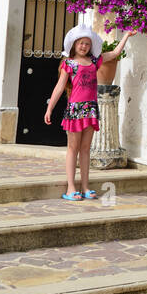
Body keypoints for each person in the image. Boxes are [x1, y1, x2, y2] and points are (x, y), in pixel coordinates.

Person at [45, 26, 134, 200]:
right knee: (73, 149)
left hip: (91, 110)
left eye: (87, 43)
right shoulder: (68, 64)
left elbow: (115, 53)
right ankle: (71, 187)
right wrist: (50, 108)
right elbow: (59, 87)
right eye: (81, 43)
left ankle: (85, 186)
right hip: (75, 111)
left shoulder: (95, 61)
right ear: (74, 44)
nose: (84, 46)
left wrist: (126, 36)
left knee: (86, 149)